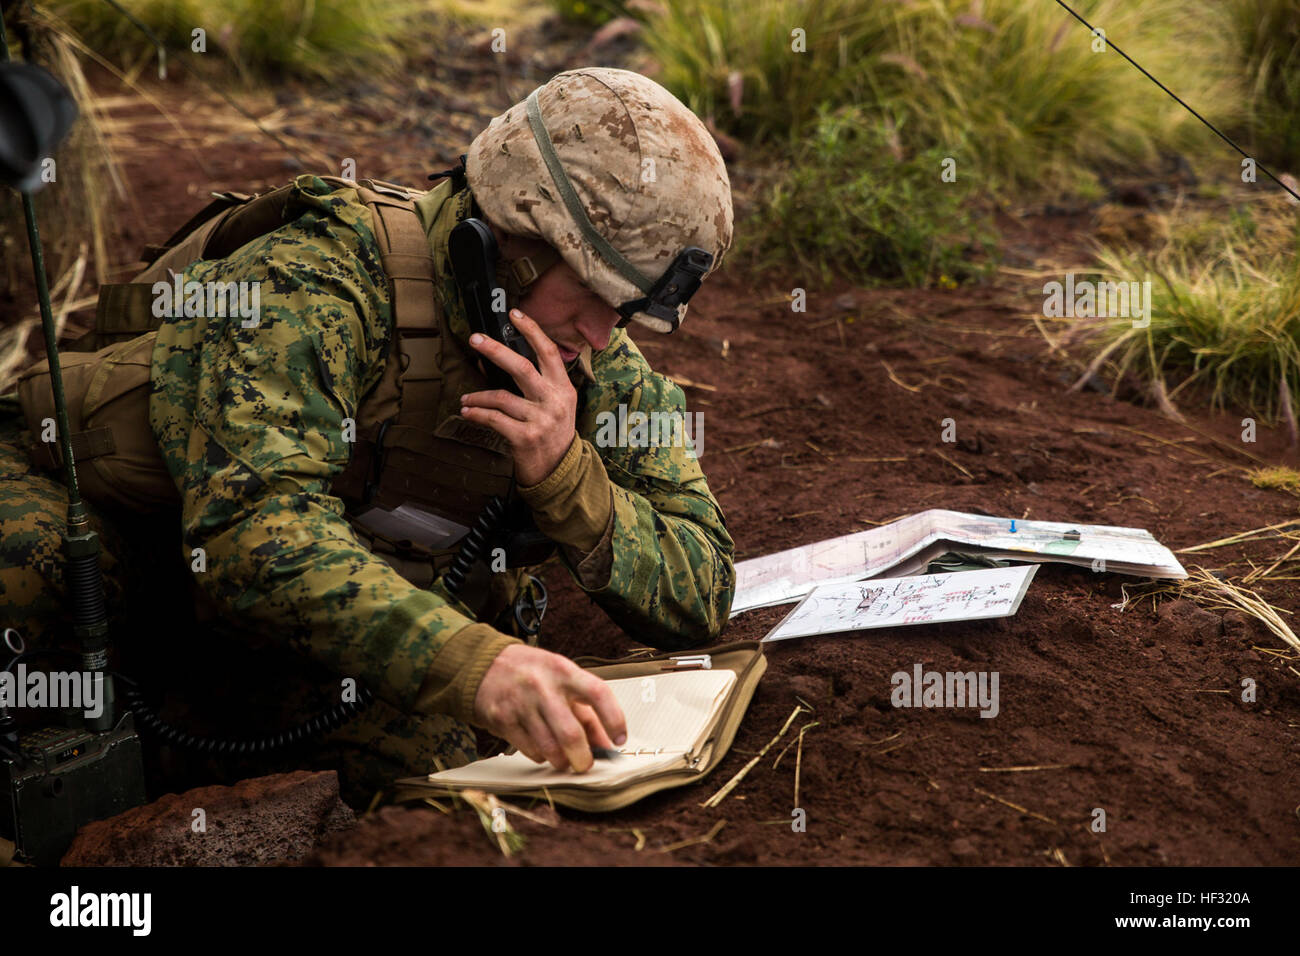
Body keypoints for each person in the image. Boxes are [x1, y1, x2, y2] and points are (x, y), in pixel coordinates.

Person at [0, 67, 737, 804]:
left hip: (291, 635)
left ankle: (187, 734)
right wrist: (476, 664)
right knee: (23, 565)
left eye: (630, 309)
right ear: (520, 239)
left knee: (431, 774)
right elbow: (254, 534)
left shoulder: (587, 358)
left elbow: (704, 588)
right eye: (598, 294)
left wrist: (567, 478)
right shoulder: (316, 278)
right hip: (137, 552)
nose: (608, 334)